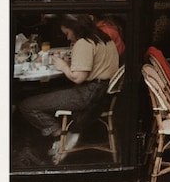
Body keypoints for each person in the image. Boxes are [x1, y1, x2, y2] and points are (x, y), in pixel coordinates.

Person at [18, 13, 119, 158]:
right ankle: (66, 132)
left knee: (27, 105)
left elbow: (78, 78)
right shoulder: (104, 39)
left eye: (67, 32)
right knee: (51, 91)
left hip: (88, 94)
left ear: (75, 28)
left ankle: (61, 134)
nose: (67, 37)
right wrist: (70, 63)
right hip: (102, 94)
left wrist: (63, 66)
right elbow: (94, 65)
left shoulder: (83, 43)